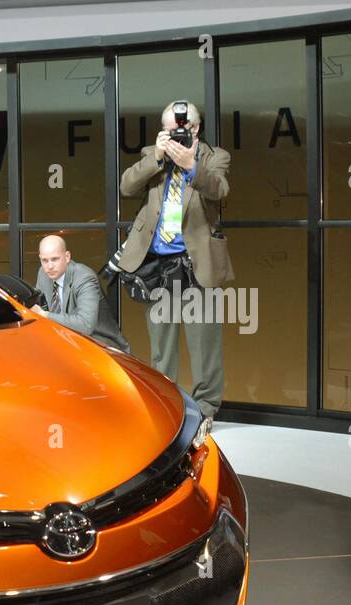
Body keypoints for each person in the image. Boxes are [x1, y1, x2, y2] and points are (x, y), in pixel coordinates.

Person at [116, 100, 234, 418]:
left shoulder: (215, 156)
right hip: (158, 262)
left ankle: (206, 409)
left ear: (194, 129)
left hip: (198, 263)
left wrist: (191, 165)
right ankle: (166, 405)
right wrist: (156, 156)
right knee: (161, 345)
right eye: (168, 130)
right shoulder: (153, 154)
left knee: (204, 343)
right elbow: (126, 186)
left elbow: (219, 190)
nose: (173, 136)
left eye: (179, 130)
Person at [30, 235, 130, 353]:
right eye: (45, 260)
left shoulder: (84, 278)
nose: (49, 266)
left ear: (67, 257)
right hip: (67, 342)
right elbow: (38, 307)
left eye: (55, 259)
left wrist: (45, 315)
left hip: (100, 346)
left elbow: (85, 325)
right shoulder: (43, 273)